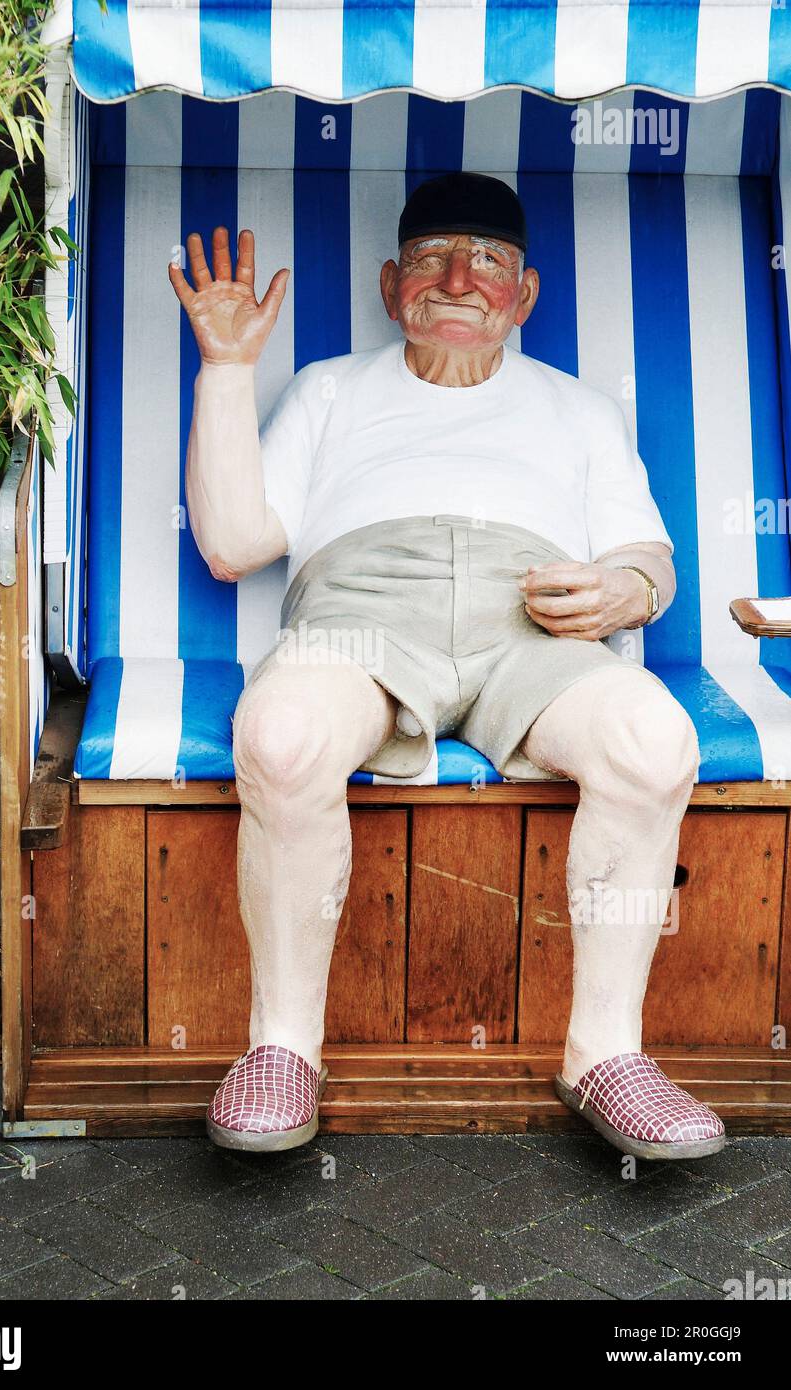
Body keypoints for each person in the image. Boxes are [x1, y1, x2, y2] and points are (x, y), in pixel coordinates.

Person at [168, 172, 725, 1162]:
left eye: (489, 261)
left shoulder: (581, 410)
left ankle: (607, 1054)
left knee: (654, 742)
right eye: (431, 258)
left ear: (526, 293)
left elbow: (650, 559)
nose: (459, 277)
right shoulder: (328, 388)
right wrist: (224, 366)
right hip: (361, 615)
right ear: (391, 286)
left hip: (536, 630)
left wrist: (624, 593)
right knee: (282, 738)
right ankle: (282, 1048)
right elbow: (230, 542)